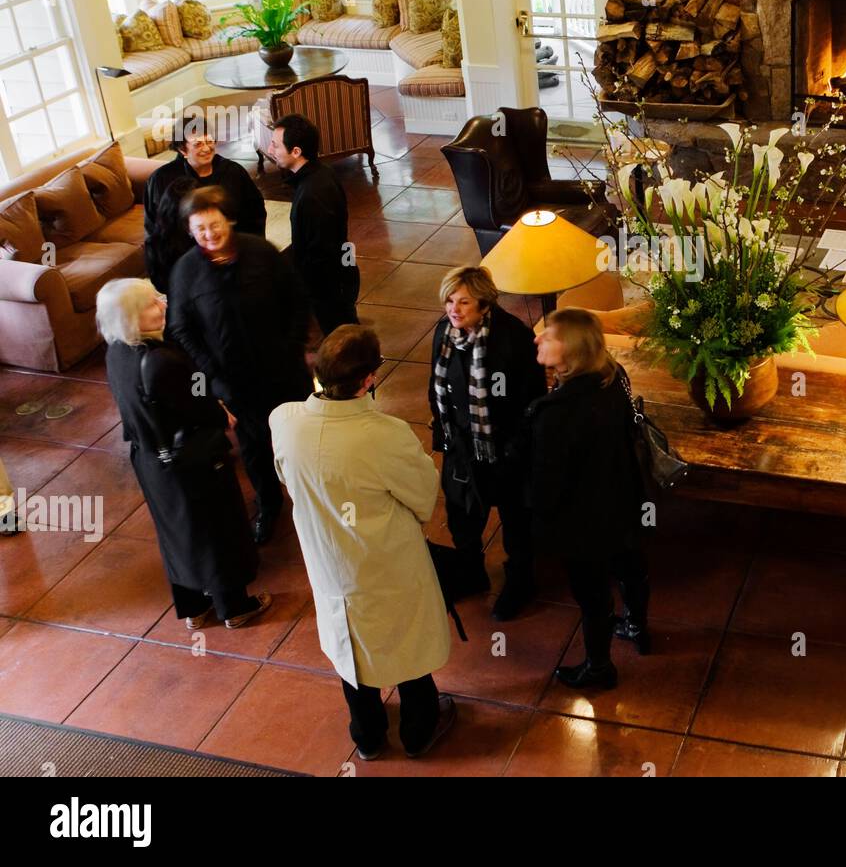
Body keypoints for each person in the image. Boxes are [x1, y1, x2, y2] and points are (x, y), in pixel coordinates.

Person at [271, 325, 456, 760]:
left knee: (348, 645)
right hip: (383, 561)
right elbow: (423, 495)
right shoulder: (385, 434)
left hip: (325, 559)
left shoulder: (283, 420)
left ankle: (367, 736)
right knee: (404, 641)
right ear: (369, 378)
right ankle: (419, 730)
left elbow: (285, 476)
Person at [98, 279, 271, 630]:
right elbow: (198, 408)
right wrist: (222, 413)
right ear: (131, 317)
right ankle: (234, 607)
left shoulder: (116, 353)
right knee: (216, 531)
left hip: (152, 462)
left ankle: (193, 608)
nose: (161, 306)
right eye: (150, 304)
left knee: (176, 533)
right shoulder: (163, 361)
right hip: (193, 463)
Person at [167, 185, 313, 545]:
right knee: (253, 448)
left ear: (228, 220)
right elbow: (182, 328)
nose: (209, 234)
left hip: (284, 372)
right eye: (200, 229)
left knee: (300, 437)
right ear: (190, 231)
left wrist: (292, 347)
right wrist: (212, 375)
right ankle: (268, 504)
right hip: (234, 382)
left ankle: (312, 497)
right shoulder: (185, 272)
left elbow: (297, 300)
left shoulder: (261, 252)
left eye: (214, 225)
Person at [528, 308, 650, 690]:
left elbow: (547, 483)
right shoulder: (613, 377)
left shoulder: (557, 414)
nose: (538, 339)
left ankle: (599, 668)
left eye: (549, 336)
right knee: (630, 566)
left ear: (571, 351)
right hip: (625, 500)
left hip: (583, 521)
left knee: (592, 594)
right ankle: (636, 625)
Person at [427, 266, 546, 620]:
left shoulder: (513, 339)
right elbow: (435, 389)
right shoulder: (444, 334)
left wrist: (513, 451)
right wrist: (446, 438)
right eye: (450, 300)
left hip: (506, 451)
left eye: (463, 301)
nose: (454, 309)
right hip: (461, 448)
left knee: (515, 521)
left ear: (484, 303)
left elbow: (531, 402)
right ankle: (470, 573)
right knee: (462, 517)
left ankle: (521, 581)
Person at [144, 113, 265, 291]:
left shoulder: (233, 172)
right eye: (198, 144)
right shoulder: (161, 180)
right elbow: (155, 228)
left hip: (231, 259)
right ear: (182, 150)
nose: (207, 149)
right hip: (187, 267)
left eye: (209, 141)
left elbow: (255, 214)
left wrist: (248, 253)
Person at [266, 114, 360, 336]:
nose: (271, 150)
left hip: (328, 285)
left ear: (296, 152)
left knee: (342, 337)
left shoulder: (312, 194)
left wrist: (304, 286)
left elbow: (320, 251)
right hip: (335, 278)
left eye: (275, 145)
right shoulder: (322, 173)